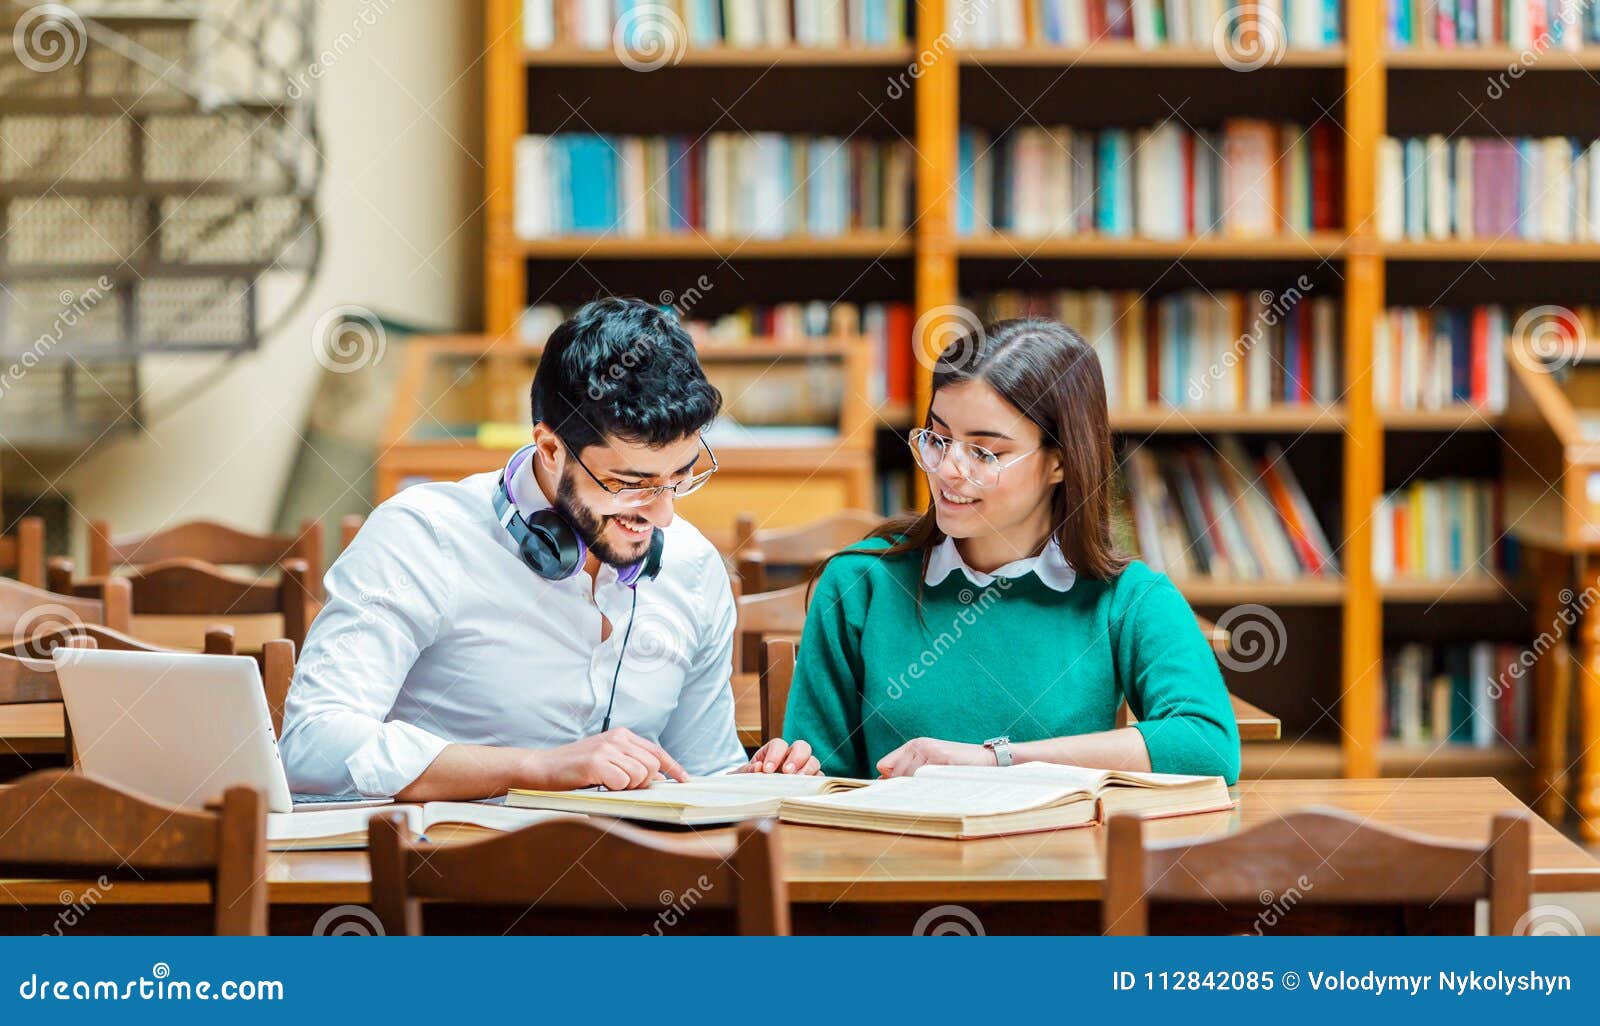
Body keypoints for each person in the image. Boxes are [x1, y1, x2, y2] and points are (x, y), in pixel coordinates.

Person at [281, 298, 819, 800]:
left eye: (679, 477)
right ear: (550, 448)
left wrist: (755, 781)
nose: (663, 515)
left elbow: (698, 772)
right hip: (453, 882)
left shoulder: (692, 566)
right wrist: (535, 768)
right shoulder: (423, 536)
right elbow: (311, 746)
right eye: (628, 483)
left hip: (636, 892)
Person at [759, 317, 1240, 783]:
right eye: (938, 438)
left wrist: (995, 761)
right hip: (896, 862)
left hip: (1059, 862)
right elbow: (819, 785)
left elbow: (1207, 744)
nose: (948, 469)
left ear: (1060, 463)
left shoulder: (1128, 597)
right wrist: (788, 769)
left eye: (985, 452)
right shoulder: (859, 585)